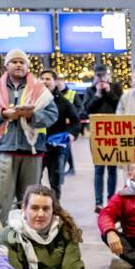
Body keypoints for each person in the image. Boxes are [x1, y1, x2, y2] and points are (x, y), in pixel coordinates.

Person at [0, 49, 55, 222]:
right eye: (14, 62)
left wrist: (32, 116)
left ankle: (27, 237)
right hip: (5, 149)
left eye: (22, 62)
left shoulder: (40, 89)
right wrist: (2, 114)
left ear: (27, 66)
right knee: (0, 200)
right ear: (6, 65)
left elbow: (52, 114)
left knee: (29, 200)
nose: (18, 65)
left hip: (32, 151)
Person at [76, 63, 123, 210]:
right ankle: (98, 201)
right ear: (94, 77)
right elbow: (86, 110)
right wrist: (97, 94)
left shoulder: (116, 88)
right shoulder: (90, 90)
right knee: (99, 168)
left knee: (112, 168)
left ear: (108, 76)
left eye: (103, 75)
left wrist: (108, 92)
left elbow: (120, 107)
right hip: (97, 134)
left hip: (114, 132)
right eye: (98, 76)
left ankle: (111, 199)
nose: (101, 79)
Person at [39, 69, 80, 197]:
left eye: (48, 79)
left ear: (55, 82)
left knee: (55, 182)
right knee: (33, 181)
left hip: (56, 149)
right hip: (36, 148)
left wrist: (71, 134)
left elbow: (75, 121)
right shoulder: (33, 99)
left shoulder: (63, 102)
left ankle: (55, 209)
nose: (45, 81)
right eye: (42, 79)